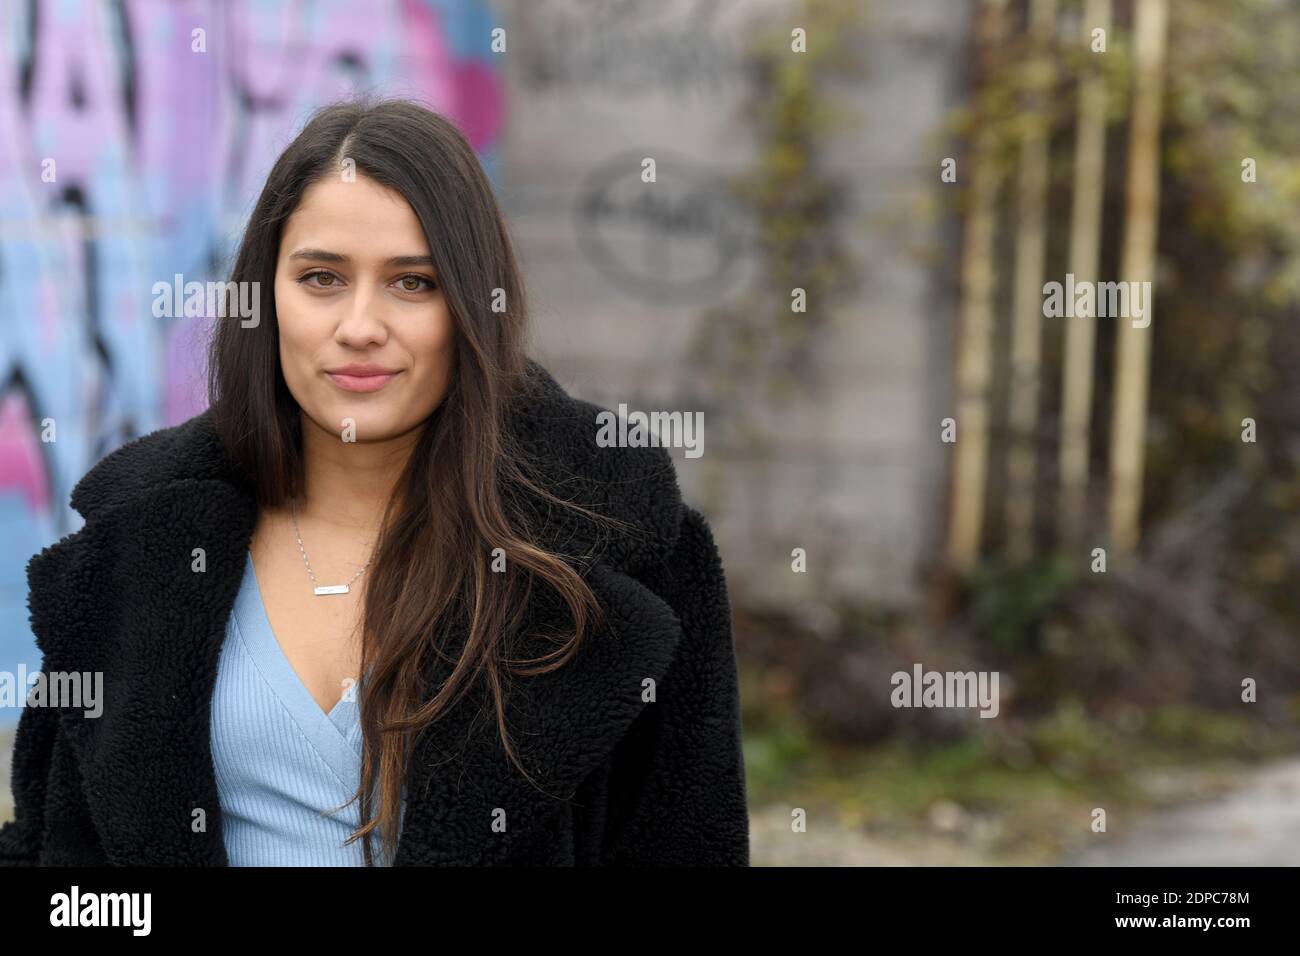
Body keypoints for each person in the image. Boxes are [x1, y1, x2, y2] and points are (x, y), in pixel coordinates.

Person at [0, 97, 749, 867]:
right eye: (322, 278)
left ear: (473, 306)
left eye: (413, 283)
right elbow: (49, 852)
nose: (360, 325)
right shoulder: (136, 542)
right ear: (266, 299)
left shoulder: (625, 548)